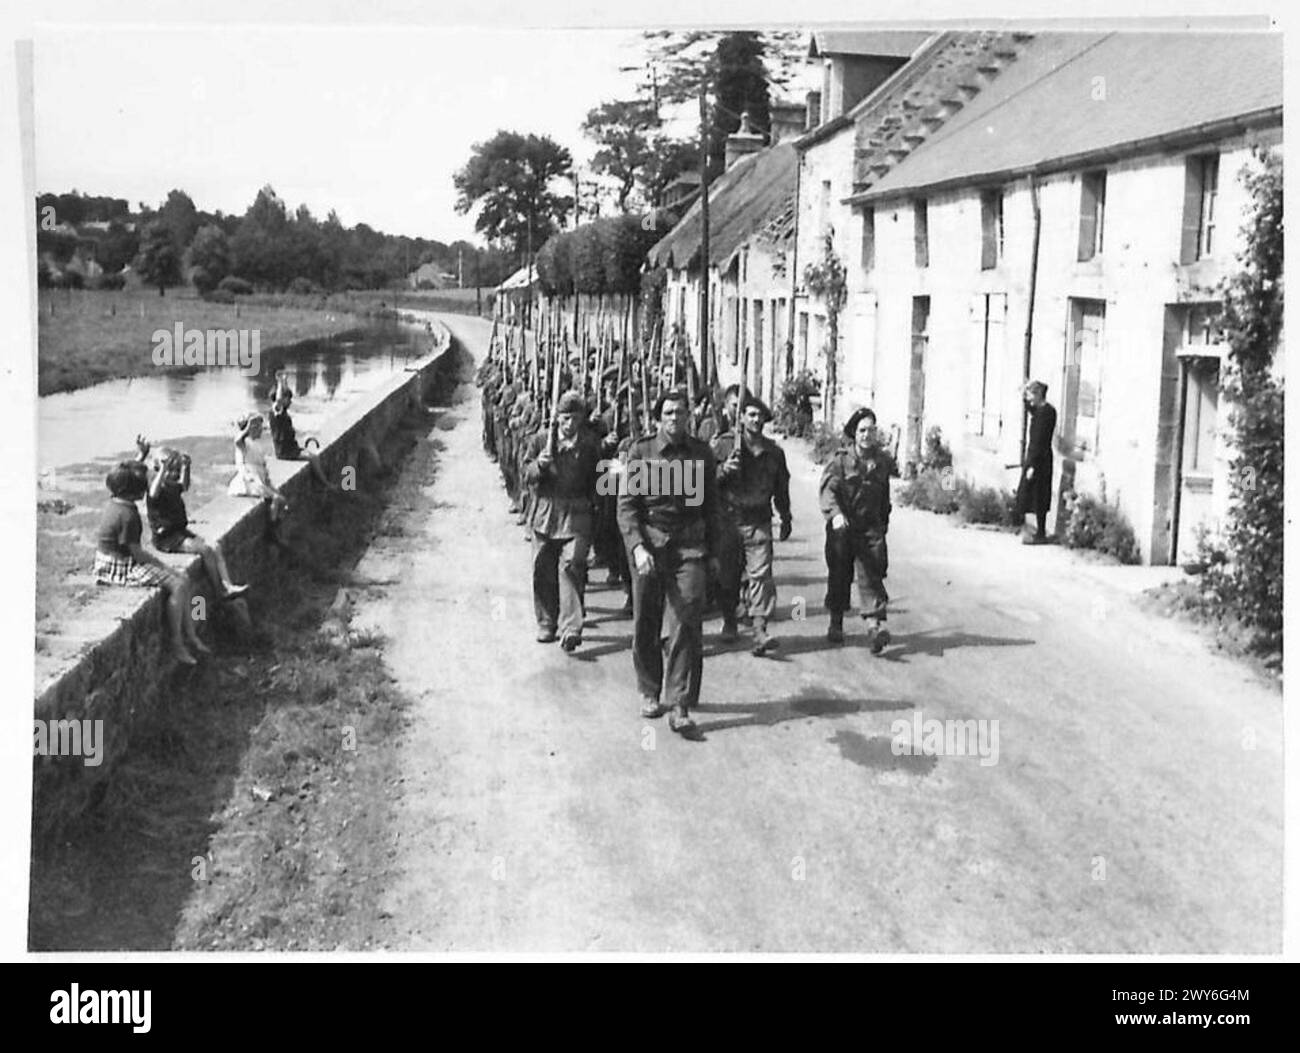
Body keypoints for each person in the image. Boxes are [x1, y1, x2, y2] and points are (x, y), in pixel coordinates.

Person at [617, 388, 721, 734]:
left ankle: (679, 702)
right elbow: (627, 506)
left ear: (689, 416)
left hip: (689, 546)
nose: (675, 419)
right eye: (668, 413)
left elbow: (713, 509)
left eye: (680, 412)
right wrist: (637, 547)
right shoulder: (642, 452)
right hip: (650, 544)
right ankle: (649, 689)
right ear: (658, 418)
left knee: (686, 617)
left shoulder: (702, 454)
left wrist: (718, 554)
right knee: (646, 619)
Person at [94, 455, 209, 665]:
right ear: (137, 491)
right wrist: (165, 567)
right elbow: (137, 554)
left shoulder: (117, 502)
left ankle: (194, 629)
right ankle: (178, 642)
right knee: (180, 584)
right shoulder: (129, 516)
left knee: (188, 579)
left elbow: (129, 472)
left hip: (113, 557)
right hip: (120, 565)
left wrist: (141, 456)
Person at [710, 393, 791, 655]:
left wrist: (786, 516)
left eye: (760, 416)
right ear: (741, 418)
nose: (755, 420)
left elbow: (782, 488)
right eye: (751, 415)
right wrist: (724, 470)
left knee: (760, 575)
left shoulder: (774, 453)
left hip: (759, 520)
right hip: (728, 521)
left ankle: (759, 628)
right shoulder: (724, 446)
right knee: (727, 577)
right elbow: (702, 480)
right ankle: (730, 621)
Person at [523, 390, 602, 652]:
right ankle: (547, 622)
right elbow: (527, 473)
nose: (570, 424)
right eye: (565, 418)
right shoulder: (541, 441)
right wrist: (539, 466)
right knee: (542, 568)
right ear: (557, 417)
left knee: (571, 566)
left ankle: (571, 628)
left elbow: (597, 480)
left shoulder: (589, 445)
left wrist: (595, 507)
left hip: (577, 515)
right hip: (546, 514)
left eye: (575, 418)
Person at [820, 407, 894, 652]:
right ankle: (836, 621)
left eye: (872, 430)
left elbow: (884, 496)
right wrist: (836, 516)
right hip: (844, 526)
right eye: (862, 430)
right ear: (854, 433)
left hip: (869, 526)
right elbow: (828, 491)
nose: (867, 435)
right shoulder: (841, 461)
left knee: (872, 571)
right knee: (840, 574)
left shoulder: (882, 462)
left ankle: (874, 626)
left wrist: (883, 523)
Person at [147, 445, 249, 600]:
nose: (174, 474)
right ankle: (219, 590)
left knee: (215, 546)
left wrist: (186, 468)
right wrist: (162, 469)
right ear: (159, 469)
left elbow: (184, 485)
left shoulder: (172, 485)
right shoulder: (157, 488)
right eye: (171, 470)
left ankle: (227, 584)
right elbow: (154, 493)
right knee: (206, 550)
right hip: (167, 538)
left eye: (176, 470)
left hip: (179, 531)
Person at [269, 373, 336, 489]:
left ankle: (322, 481)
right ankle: (325, 483)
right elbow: (279, 399)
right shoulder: (276, 412)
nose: (290, 402)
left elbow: (281, 397)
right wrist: (280, 382)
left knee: (314, 454)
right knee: (313, 457)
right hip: (285, 452)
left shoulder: (282, 412)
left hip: (291, 448)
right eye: (288, 399)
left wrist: (284, 381)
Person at [228, 413, 288, 539]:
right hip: (249, 479)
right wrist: (248, 427)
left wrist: (269, 482)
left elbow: (264, 468)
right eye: (259, 428)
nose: (262, 430)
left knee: (281, 499)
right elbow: (237, 440)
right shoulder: (244, 444)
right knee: (276, 498)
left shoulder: (256, 445)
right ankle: (272, 533)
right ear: (252, 429)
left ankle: (277, 527)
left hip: (259, 478)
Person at [1016, 380, 1057, 545]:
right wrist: (1023, 395)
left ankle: (1039, 533)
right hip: (1036, 456)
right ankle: (1030, 529)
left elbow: (1039, 440)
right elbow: (1030, 408)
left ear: (1039, 394)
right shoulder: (1041, 410)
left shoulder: (1046, 413)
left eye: (1032, 394)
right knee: (1028, 494)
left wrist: (1032, 465)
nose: (1030, 398)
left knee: (1038, 495)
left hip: (1040, 459)